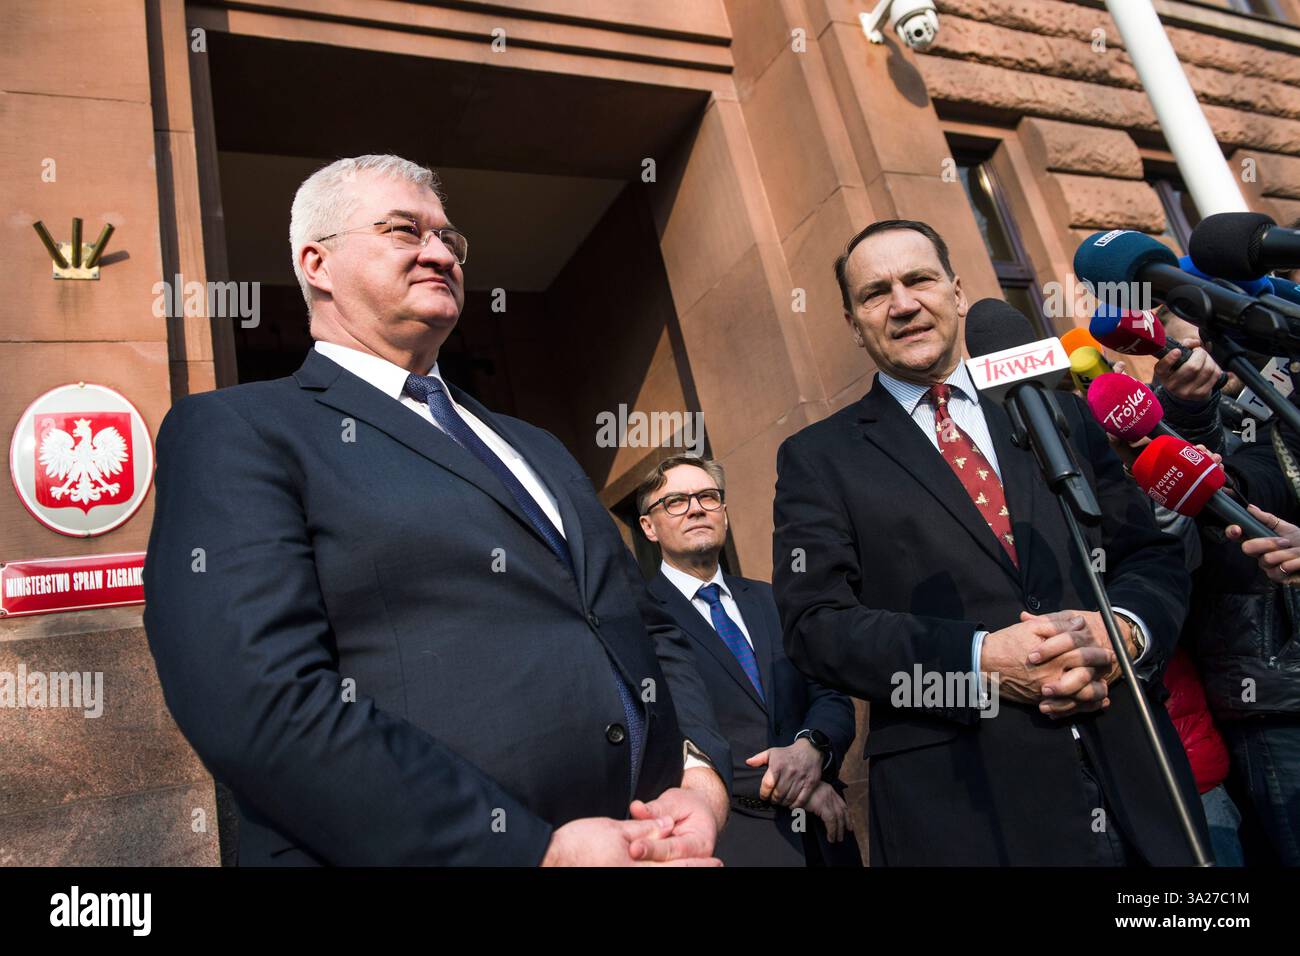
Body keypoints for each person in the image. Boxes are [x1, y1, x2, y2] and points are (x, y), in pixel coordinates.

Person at [143, 154, 731, 866]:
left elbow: (646, 623)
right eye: (403, 230)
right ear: (316, 262)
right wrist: (528, 852)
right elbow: (256, 700)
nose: (438, 253)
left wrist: (699, 776)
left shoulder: (535, 445)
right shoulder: (237, 431)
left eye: (449, 239)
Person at [772, 218, 1207, 865]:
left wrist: (1124, 633)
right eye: (876, 292)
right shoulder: (817, 457)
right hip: (967, 810)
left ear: (955, 290)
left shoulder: (1054, 407)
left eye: (919, 279)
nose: (903, 303)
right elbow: (817, 624)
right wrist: (978, 660)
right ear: (851, 319)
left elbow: (1148, 554)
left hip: (1138, 779)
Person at [636, 455, 862, 866]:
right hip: (737, 841)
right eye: (675, 501)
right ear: (648, 527)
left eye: (708, 496)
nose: (696, 508)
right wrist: (792, 785)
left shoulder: (774, 598)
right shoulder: (640, 619)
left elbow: (830, 694)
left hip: (828, 839)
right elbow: (664, 728)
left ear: (724, 511)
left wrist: (812, 748)